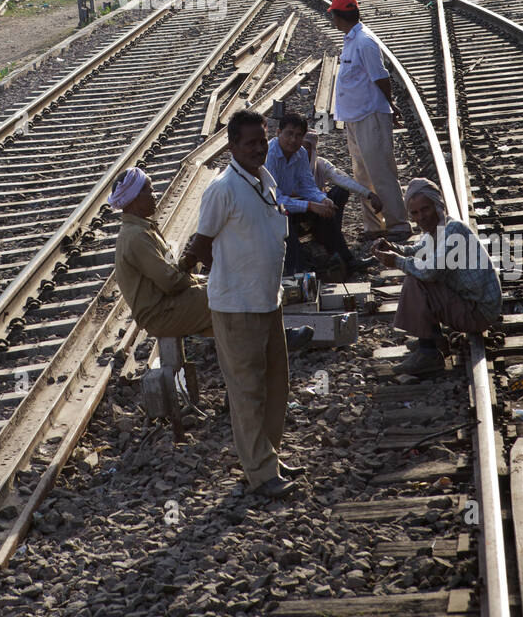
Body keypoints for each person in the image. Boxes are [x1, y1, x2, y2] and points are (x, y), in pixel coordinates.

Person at [186, 110, 301, 500]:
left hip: (269, 302)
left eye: (261, 140)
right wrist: (230, 277)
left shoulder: (263, 179)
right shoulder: (222, 189)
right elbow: (201, 245)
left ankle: (269, 457)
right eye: (249, 143)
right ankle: (258, 471)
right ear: (231, 146)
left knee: (274, 384)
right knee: (248, 390)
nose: (257, 148)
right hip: (237, 309)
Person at [374, 177, 502, 378]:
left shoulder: (453, 230)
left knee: (417, 278)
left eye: (425, 209)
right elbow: (417, 250)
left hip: (478, 313)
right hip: (469, 305)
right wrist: (393, 249)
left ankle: (429, 352)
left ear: (437, 206)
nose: (421, 217)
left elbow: (430, 271)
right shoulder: (436, 232)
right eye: (415, 213)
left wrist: (397, 261)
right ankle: (431, 338)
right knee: (415, 271)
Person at [329, 0, 411, 242]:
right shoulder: (350, 39)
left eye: (332, 14)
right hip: (354, 118)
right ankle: (374, 227)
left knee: (382, 173)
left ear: (338, 16)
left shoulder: (364, 41)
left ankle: (398, 225)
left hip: (371, 116)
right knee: (363, 175)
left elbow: (381, 77)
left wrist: (391, 106)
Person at [265, 111, 379, 276]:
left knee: (328, 211)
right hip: (267, 209)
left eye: (298, 135)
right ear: (278, 133)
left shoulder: (301, 153)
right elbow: (274, 198)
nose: (293, 140)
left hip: (289, 205)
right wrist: (311, 205)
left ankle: (344, 260)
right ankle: (297, 271)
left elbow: (307, 186)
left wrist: (322, 200)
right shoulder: (271, 155)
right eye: (289, 134)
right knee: (284, 217)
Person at [110, 168, 213, 338]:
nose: (154, 195)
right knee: (228, 293)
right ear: (134, 198)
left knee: (225, 287)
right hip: (161, 315)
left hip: (167, 307)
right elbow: (171, 283)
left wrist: (186, 264)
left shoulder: (141, 229)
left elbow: (168, 271)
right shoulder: (136, 236)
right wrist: (197, 281)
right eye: (149, 190)